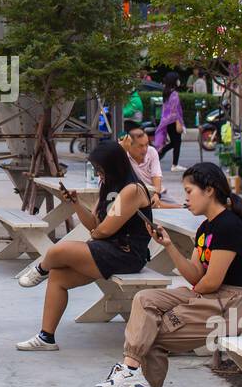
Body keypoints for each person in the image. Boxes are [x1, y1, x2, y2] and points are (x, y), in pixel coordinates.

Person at [91, 162, 242, 387]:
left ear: (209, 190)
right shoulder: (205, 229)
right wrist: (168, 245)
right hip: (211, 295)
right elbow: (196, 276)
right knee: (145, 298)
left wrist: (189, 299)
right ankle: (130, 370)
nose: (185, 197)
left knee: (154, 337)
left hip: (234, 304)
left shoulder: (229, 227)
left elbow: (211, 281)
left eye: (189, 190)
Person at [15, 141, 154, 350]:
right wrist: (75, 204)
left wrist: (98, 233)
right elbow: (95, 225)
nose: (98, 173)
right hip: (107, 249)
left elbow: (105, 230)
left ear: (113, 166)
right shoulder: (108, 187)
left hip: (127, 255)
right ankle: (46, 338)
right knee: (58, 277)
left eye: (100, 169)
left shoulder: (132, 190)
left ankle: (40, 269)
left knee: (58, 250)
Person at [119, 122, 180, 209]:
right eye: (140, 146)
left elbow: (156, 176)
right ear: (130, 145)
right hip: (137, 194)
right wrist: (122, 150)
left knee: (181, 210)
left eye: (146, 144)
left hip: (156, 192)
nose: (144, 149)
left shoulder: (151, 151)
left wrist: (156, 194)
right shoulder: (123, 154)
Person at [153, 71, 185, 172]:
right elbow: (175, 110)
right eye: (177, 79)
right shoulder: (174, 94)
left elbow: (166, 109)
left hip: (168, 122)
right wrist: (179, 122)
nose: (179, 81)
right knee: (177, 142)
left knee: (174, 143)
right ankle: (174, 165)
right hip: (174, 121)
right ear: (174, 81)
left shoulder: (166, 92)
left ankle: (161, 152)